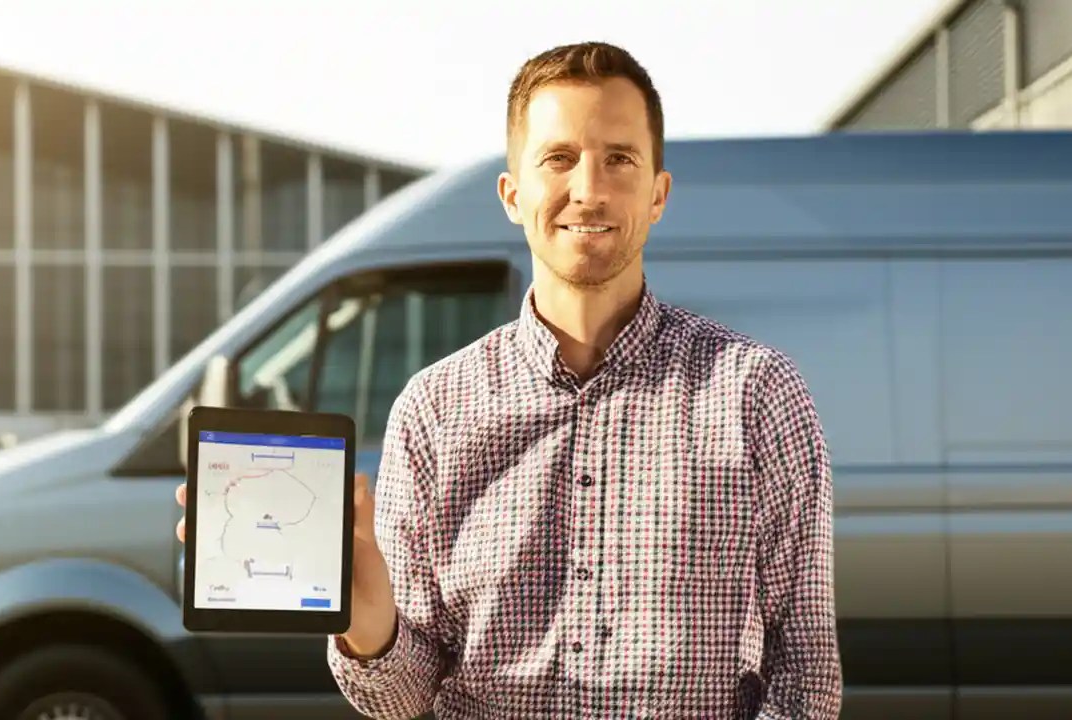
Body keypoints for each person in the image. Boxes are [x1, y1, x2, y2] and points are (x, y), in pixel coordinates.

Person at [178, 40, 842, 719]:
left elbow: (805, 676)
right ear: (512, 194)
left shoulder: (755, 395)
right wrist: (368, 621)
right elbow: (401, 697)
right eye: (559, 158)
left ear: (658, 194)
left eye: (620, 158)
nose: (589, 188)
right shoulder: (433, 412)